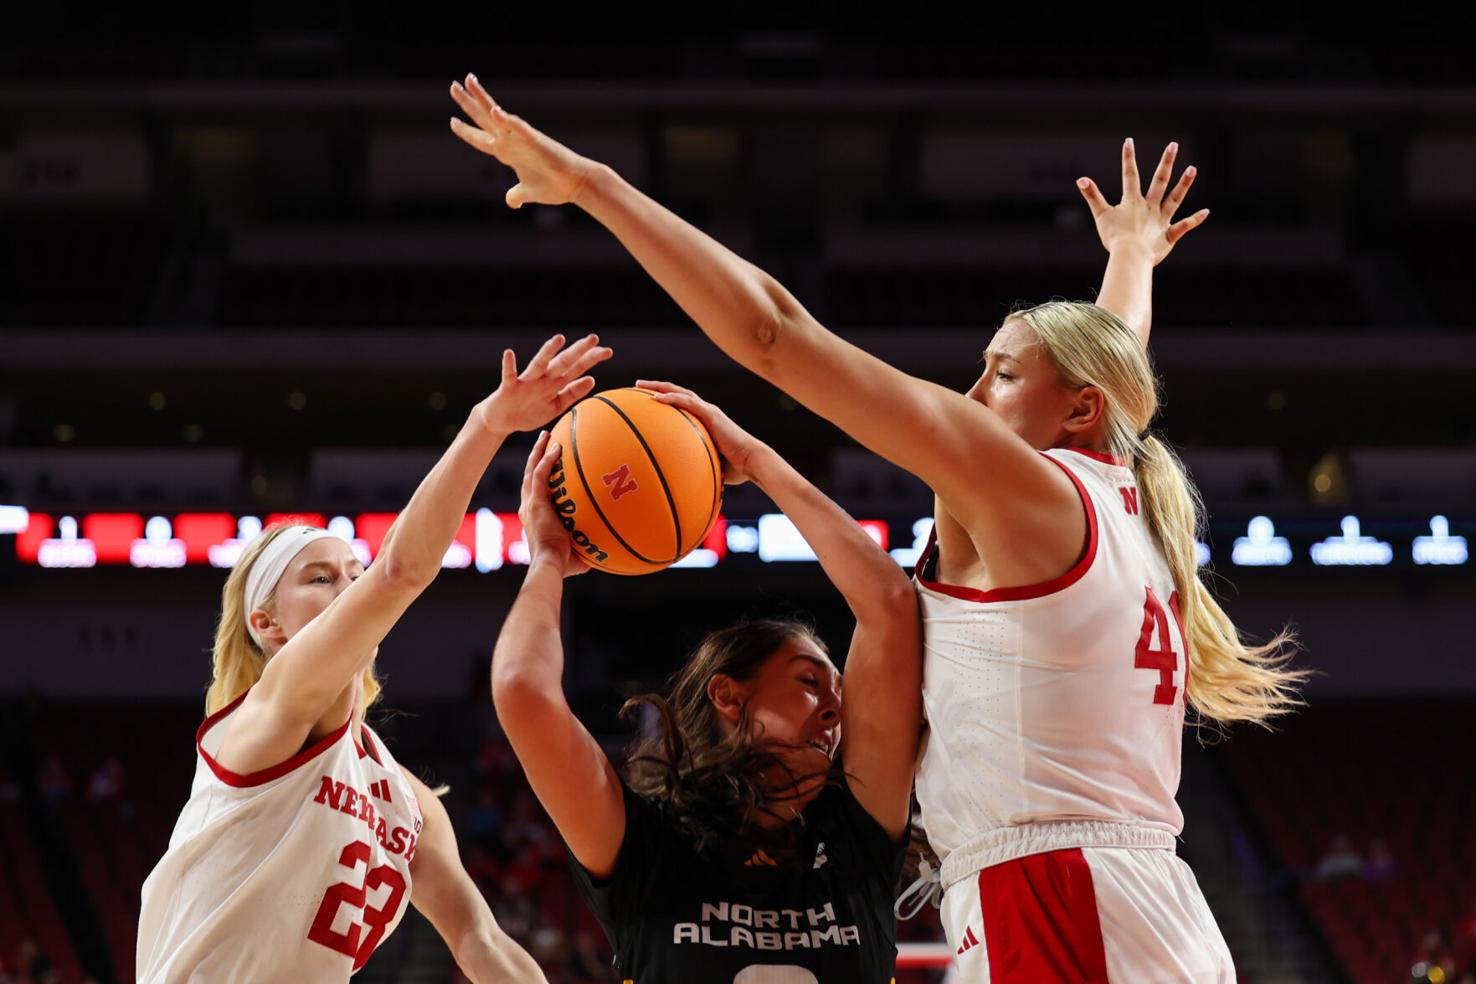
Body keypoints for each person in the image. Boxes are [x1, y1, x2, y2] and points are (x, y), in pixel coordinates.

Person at [451, 76, 1307, 982]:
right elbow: (1111, 369)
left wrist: (591, 186)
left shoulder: (1032, 495)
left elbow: (774, 334)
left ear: (1077, 411)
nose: (973, 396)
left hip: (1060, 902)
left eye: (1000, 375)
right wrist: (1132, 260)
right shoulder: (1118, 496)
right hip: (1116, 899)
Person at [137, 334, 610, 983]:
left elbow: (480, 941)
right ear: (265, 622)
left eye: (352, 574)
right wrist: (487, 423)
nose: (350, 588)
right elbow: (400, 571)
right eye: (320, 578)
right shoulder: (267, 719)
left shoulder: (408, 802)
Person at [491, 385, 921, 983]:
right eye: (808, 681)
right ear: (727, 694)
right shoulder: (647, 842)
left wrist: (756, 460)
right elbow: (522, 689)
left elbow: (891, 605)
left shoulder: (857, 833)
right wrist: (547, 559)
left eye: (838, 693)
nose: (834, 710)